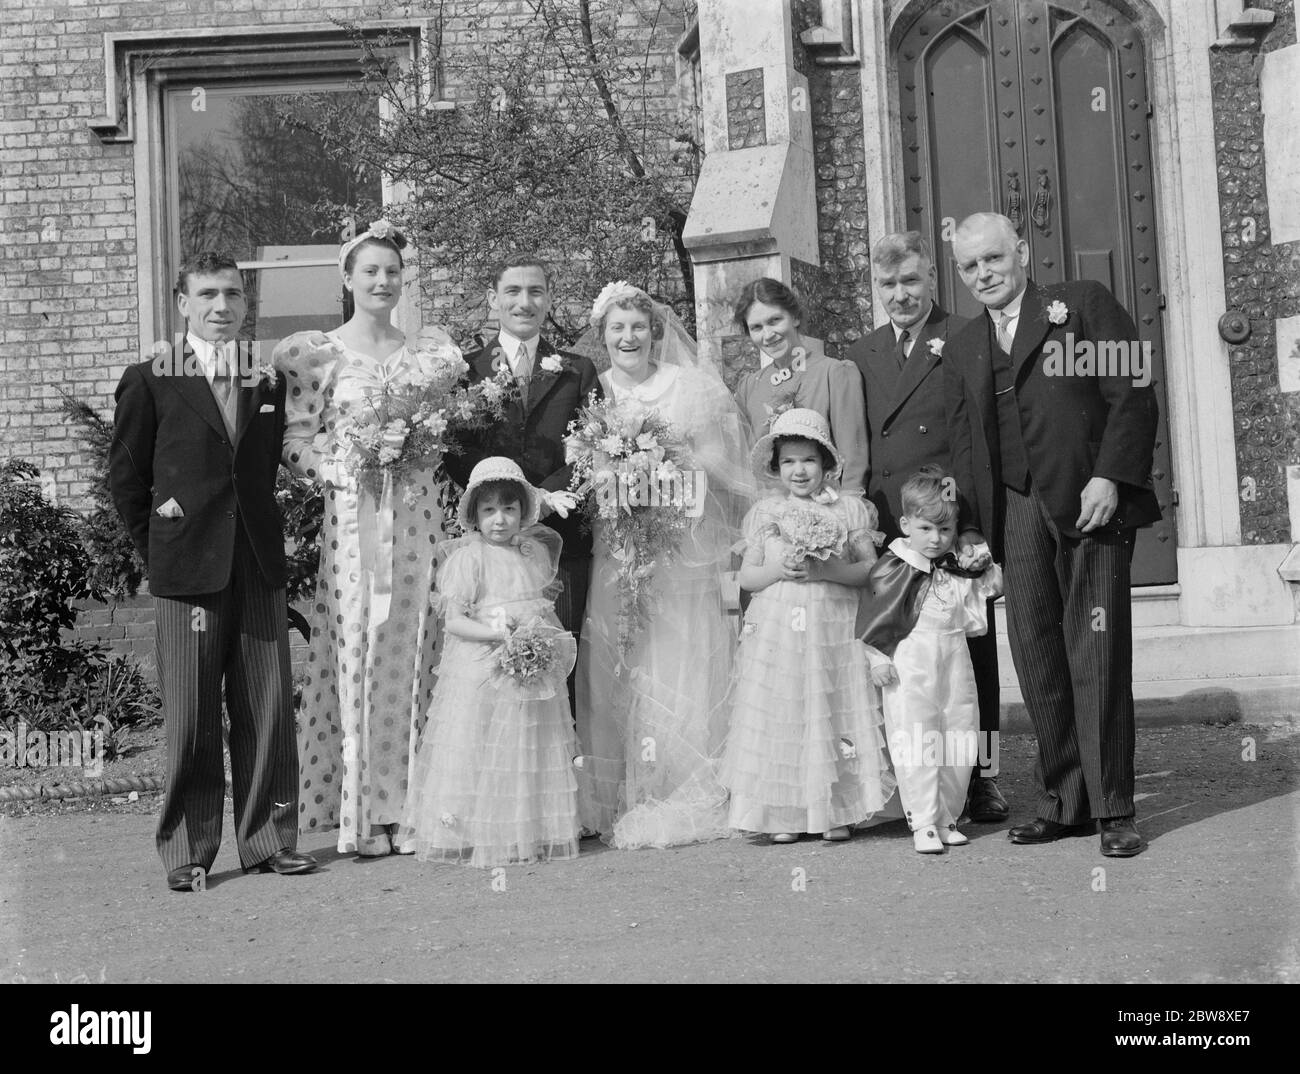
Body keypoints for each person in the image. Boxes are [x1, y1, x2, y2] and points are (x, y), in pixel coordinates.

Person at [945, 212, 1161, 858]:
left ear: (1022, 253)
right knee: (1036, 653)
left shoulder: (1083, 306)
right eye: (969, 266)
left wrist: (1111, 477)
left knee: (1096, 653)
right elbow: (965, 446)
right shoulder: (964, 347)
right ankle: (1066, 801)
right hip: (1016, 511)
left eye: (993, 259)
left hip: (1089, 501)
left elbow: (1133, 393)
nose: (983, 273)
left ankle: (1114, 809)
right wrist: (974, 530)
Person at [109, 251, 315, 890]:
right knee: (194, 715)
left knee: (267, 708)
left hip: (255, 562)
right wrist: (162, 549)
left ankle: (269, 840)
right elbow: (126, 480)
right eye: (207, 295)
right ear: (183, 304)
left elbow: (270, 465)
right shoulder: (149, 379)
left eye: (232, 294)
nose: (221, 306)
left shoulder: (267, 379)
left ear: (245, 302)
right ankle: (190, 852)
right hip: (186, 569)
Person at [274, 221, 460, 856]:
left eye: (393, 272)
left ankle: (410, 808)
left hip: (417, 524)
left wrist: (418, 449)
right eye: (371, 272)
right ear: (347, 279)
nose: (383, 282)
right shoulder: (319, 354)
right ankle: (362, 814)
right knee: (361, 646)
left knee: (414, 651)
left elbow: (442, 441)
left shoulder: (430, 355)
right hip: (353, 526)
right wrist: (338, 465)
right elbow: (294, 444)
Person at [574, 283, 756, 848]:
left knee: (678, 656)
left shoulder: (691, 386)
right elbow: (582, 469)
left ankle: (682, 782)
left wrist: (664, 462)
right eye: (616, 330)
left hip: (680, 545)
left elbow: (719, 462)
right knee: (615, 658)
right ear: (603, 338)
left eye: (637, 328)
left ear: (656, 331)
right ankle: (611, 796)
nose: (628, 338)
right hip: (618, 545)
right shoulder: (594, 392)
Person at [847, 230, 1007, 824]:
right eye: (888, 284)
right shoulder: (862, 352)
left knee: (970, 656)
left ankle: (982, 777)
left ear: (931, 280)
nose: (900, 294)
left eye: (910, 281)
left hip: (948, 522)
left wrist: (971, 527)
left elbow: (979, 436)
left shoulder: (966, 335)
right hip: (895, 530)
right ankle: (910, 784)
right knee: (904, 660)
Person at [718, 409, 894, 842]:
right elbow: (746, 578)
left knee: (829, 710)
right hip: (778, 626)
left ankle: (834, 810)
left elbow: (869, 572)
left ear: (826, 465)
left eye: (809, 460)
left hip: (831, 624)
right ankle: (785, 815)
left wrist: (827, 571)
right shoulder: (765, 512)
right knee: (786, 709)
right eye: (790, 461)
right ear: (777, 468)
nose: (800, 470)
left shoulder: (848, 508)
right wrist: (779, 568)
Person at [403, 458, 580, 868]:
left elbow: (540, 607)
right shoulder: (469, 558)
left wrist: (535, 640)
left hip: (527, 664)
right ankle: (478, 829)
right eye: (489, 511)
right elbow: (456, 621)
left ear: (522, 512)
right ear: (474, 515)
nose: (500, 520)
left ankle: (527, 828)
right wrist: (502, 636)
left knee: (527, 738)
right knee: (479, 741)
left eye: (509, 509)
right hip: (484, 665)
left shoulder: (530, 554)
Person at [443, 256, 601, 652]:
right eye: (513, 291)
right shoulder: (466, 372)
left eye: (535, 291)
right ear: (493, 299)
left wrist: (544, 498)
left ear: (548, 300)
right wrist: (512, 497)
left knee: (560, 652)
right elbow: (455, 449)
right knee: (496, 657)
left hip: (561, 538)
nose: (524, 302)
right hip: (491, 539)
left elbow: (593, 444)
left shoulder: (578, 370)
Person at [859, 466, 1003, 854]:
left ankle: (947, 817)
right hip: (912, 661)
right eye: (925, 529)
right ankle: (922, 820)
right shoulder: (897, 566)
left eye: (945, 530)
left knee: (959, 732)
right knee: (916, 735)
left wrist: (983, 564)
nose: (936, 539)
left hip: (954, 658)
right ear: (906, 524)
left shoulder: (956, 566)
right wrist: (876, 657)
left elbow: (989, 592)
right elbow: (877, 612)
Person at [732, 278, 870, 494]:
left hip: (828, 511)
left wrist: (850, 510)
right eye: (756, 327)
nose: (768, 335)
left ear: (795, 317)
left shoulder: (834, 373)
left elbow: (853, 459)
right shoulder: (749, 387)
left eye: (775, 320)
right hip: (772, 513)